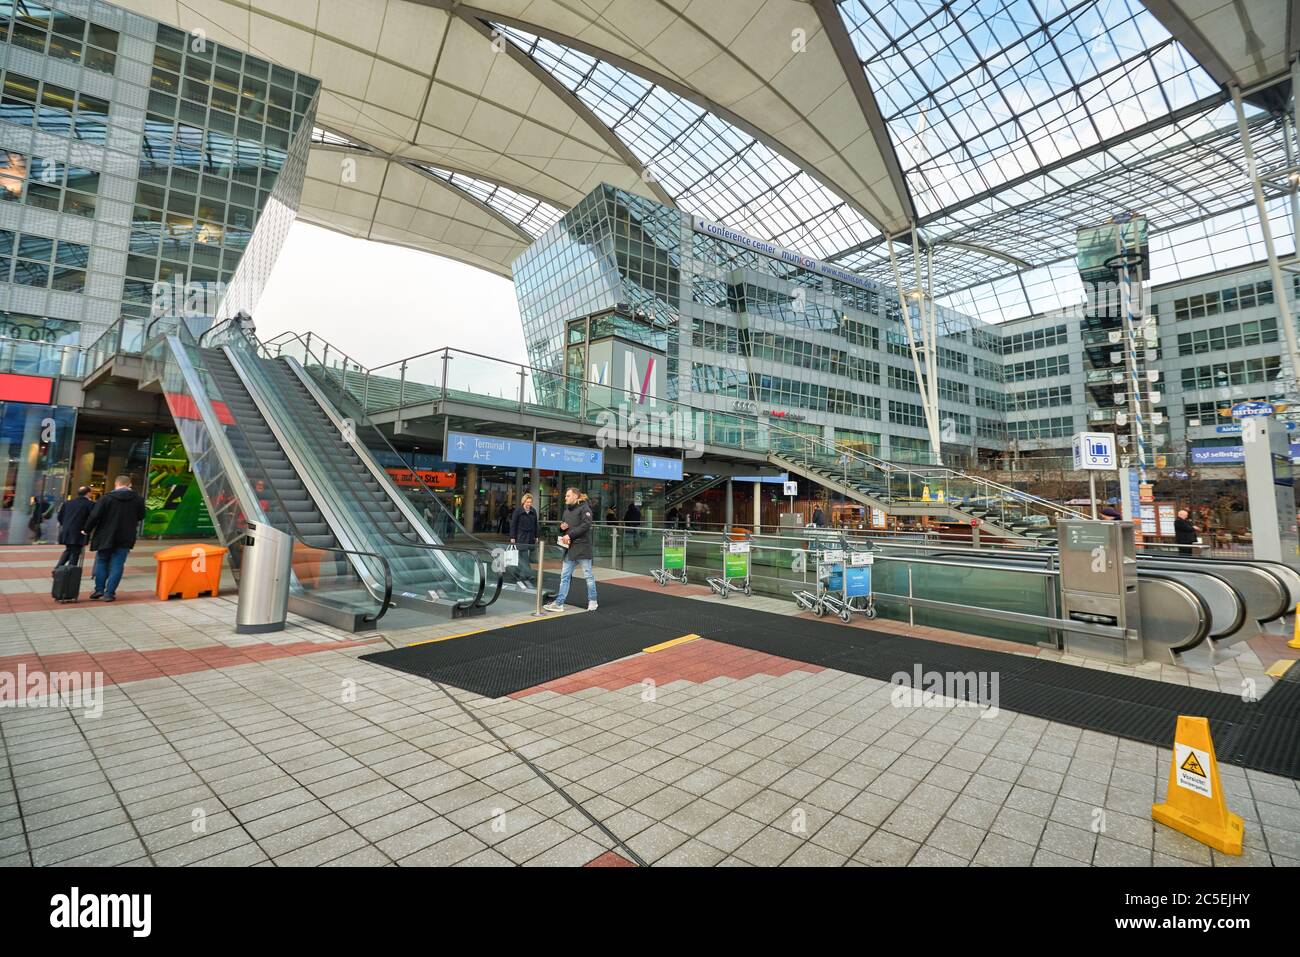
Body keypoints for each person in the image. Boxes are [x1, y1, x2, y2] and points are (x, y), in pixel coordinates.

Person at [82, 474, 146, 602]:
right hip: (125, 536)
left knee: (102, 561)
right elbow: (141, 516)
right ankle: (109, 593)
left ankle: (99, 589)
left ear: (116, 484)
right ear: (129, 485)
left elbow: (94, 516)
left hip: (105, 536)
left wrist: (86, 530)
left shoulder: (106, 498)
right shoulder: (138, 499)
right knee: (118, 564)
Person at [544, 487, 597, 612]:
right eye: (566, 496)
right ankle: (559, 603)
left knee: (588, 576)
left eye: (568, 495)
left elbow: (586, 525)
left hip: (582, 548)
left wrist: (569, 535)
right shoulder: (566, 511)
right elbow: (564, 526)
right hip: (570, 549)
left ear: (575, 496)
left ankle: (593, 601)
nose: (565, 498)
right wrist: (562, 528)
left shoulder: (585, 508)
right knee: (565, 576)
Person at [55, 487, 94, 568]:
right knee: (75, 552)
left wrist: (65, 525)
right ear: (88, 493)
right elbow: (92, 518)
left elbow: (60, 517)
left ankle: (58, 569)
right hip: (80, 531)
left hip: (66, 531)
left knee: (69, 550)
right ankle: (70, 571)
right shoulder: (90, 504)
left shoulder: (67, 503)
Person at [508, 492, 539, 591]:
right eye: (527, 502)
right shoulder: (518, 511)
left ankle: (517, 573)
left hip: (530, 537)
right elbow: (513, 524)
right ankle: (527, 574)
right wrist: (512, 537)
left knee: (523, 556)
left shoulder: (533, 511)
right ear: (523, 502)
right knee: (524, 555)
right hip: (520, 536)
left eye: (530, 502)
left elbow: (536, 524)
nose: (529, 504)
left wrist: (536, 536)